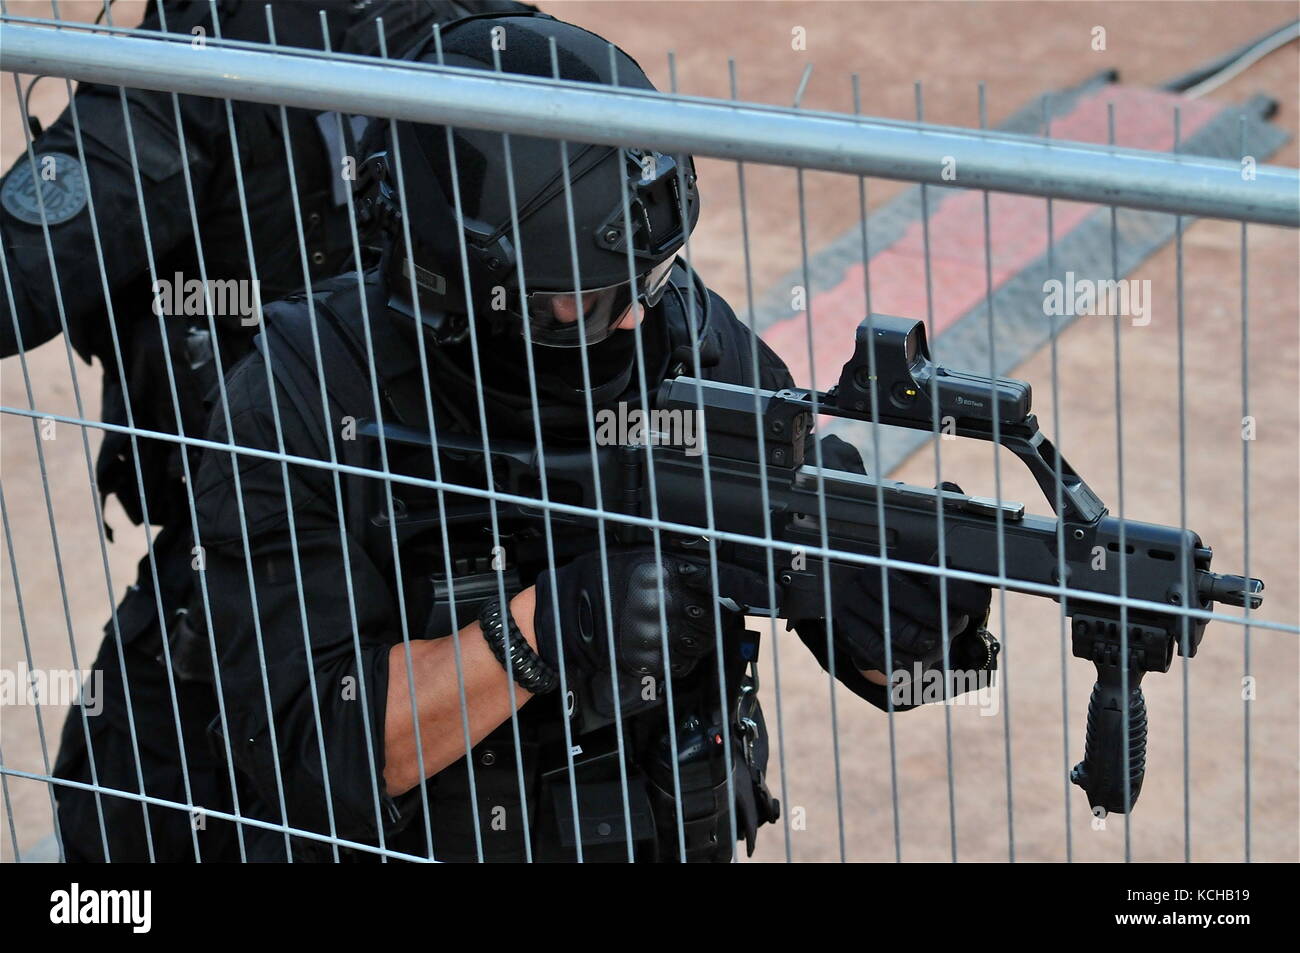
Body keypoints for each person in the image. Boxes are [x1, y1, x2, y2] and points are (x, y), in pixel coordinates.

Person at [191, 11, 996, 862]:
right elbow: (304, 755)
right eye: (597, 292)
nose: (638, 313)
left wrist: (904, 618)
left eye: (650, 273)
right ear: (470, 287)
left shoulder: (681, 337)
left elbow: (877, 657)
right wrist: (550, 631)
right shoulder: (307, 395)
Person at [0, 0, 536, 863]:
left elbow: (16, 271)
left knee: (111, 834)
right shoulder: (497, 38)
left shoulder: (206, 46)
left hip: (252, 595)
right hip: (484, 596)